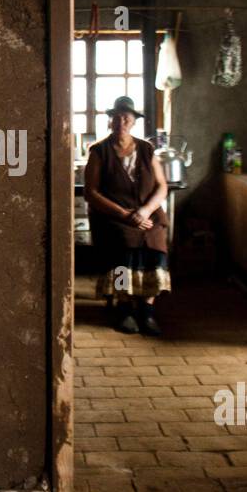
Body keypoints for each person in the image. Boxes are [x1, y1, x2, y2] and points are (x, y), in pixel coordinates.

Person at [83, 96, 171, 335]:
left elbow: (162, 185)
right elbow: (91, 193)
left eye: (126, 117)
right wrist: (125, 215)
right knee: (122, 246)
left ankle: (147, 311)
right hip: (114, 217)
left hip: (147, 214)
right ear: (110, 121)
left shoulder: (146, 149)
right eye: (117, 117)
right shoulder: (99, 151)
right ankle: (124, 309)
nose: (121, 121)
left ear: (133, 122)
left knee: (156, 243)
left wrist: (145, 211)